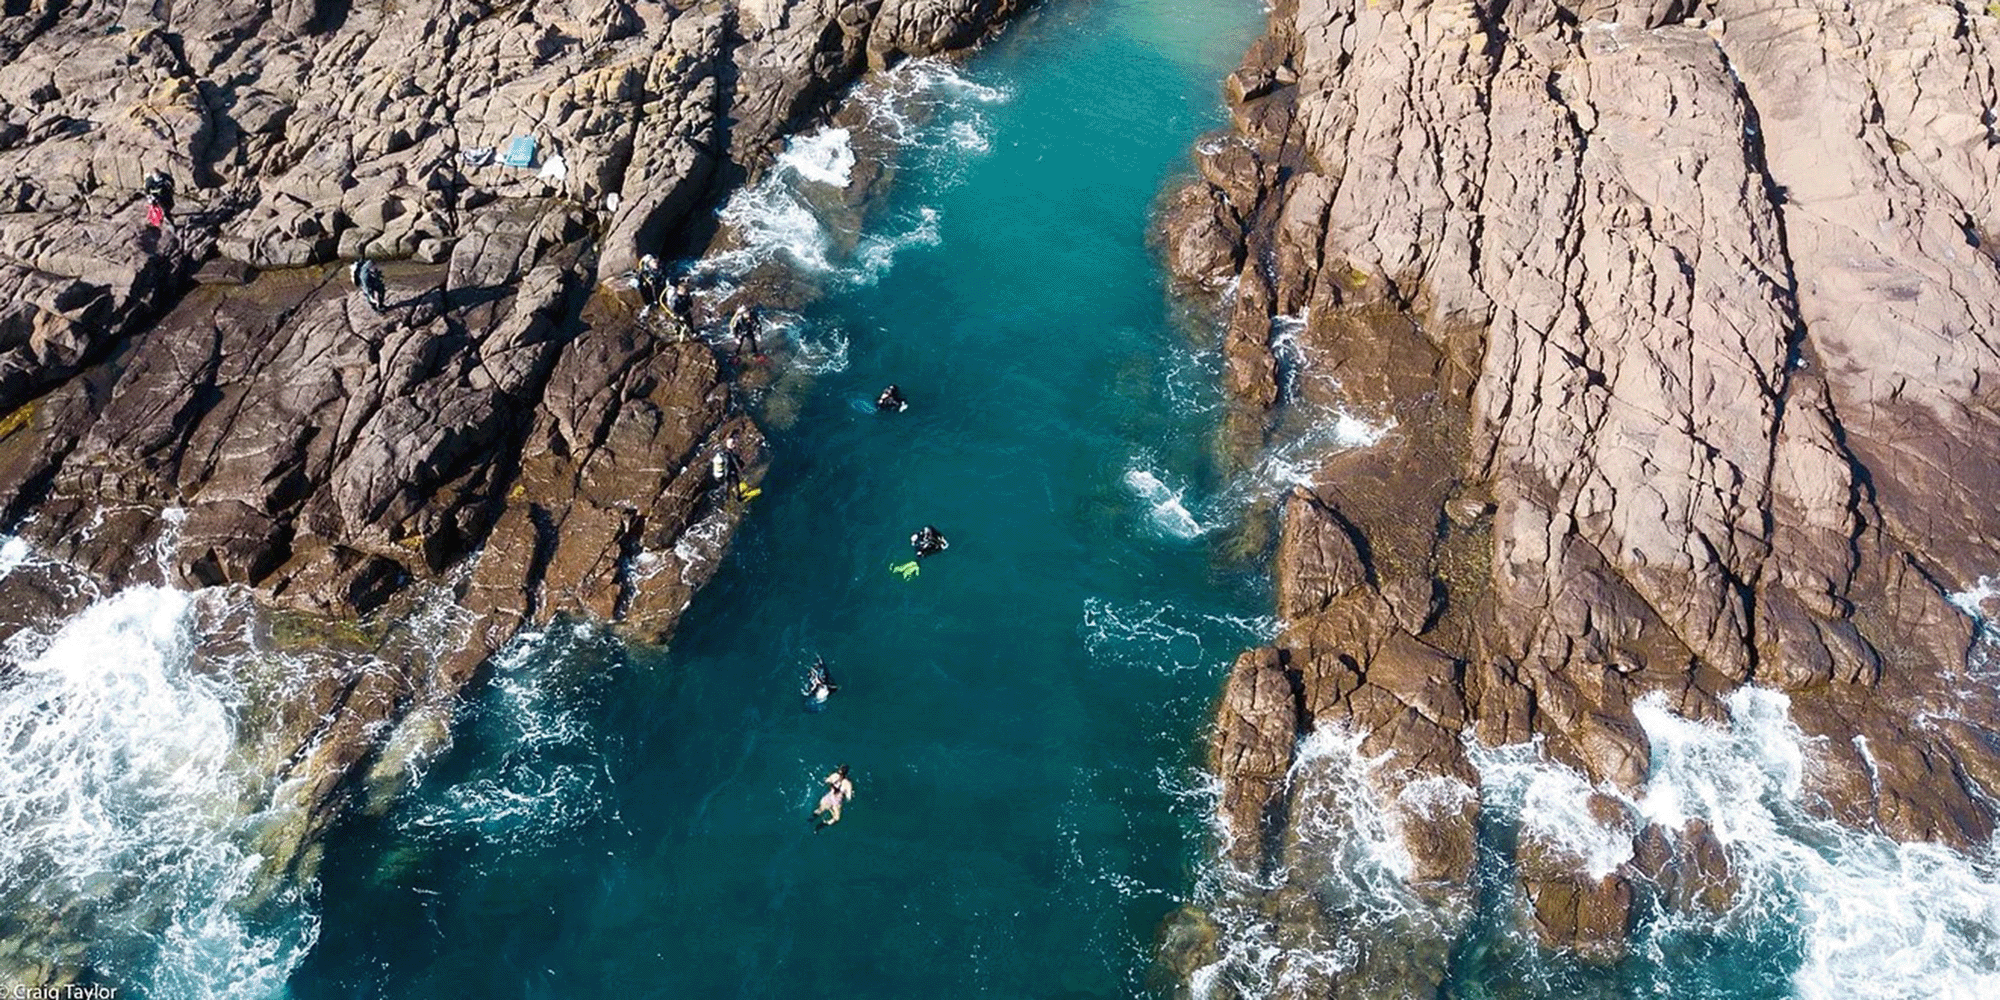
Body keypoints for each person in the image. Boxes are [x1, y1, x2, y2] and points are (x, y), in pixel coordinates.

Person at [812, 765, 854, 830]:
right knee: (836, 818)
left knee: (819, 810)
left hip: (829, 797)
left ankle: (811, 819)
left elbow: (826, 780)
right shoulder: (848, 784)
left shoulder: (834, 775)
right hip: (837, 802)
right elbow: (849, 797)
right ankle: (822, 825)